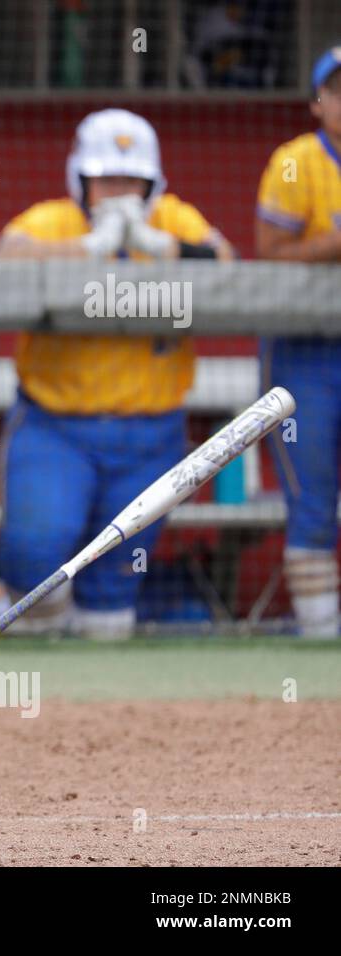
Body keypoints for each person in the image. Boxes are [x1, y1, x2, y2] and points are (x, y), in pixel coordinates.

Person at [0, 108, 234, 639]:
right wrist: (88, 249)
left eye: (132, 181)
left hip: (151, 434)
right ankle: (38, 671)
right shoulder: (54, 220)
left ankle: (102, 712)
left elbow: (226, 263)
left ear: (153, 183)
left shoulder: (172, 219)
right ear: (81, 179)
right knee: (35, 548)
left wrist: (158, 246)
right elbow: (5, 258)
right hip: (56, 427)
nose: (119, 192)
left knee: (117, 584)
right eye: (106, 180)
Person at [255, 47, 341, 639]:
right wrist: (332, 244)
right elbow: (270, 257)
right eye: (338, 90)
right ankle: (319, 634)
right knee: (312, 495)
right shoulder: (295, 163)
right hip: (308, 350)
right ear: (319, 102)